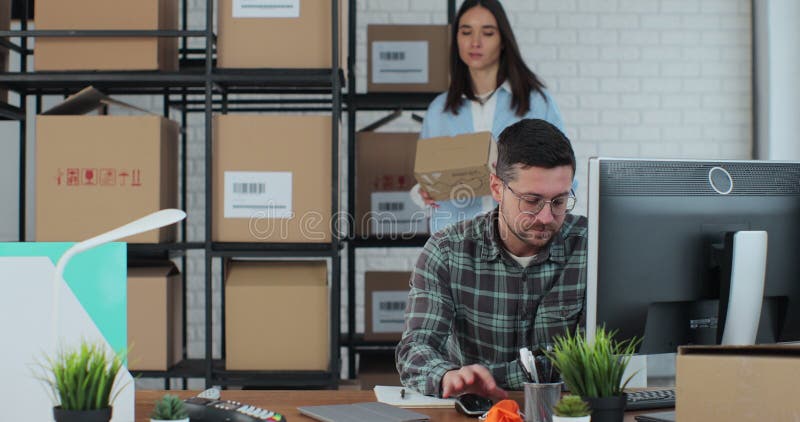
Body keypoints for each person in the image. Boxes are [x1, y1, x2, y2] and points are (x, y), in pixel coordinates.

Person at [396, 119, 587, 400]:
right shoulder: (447, 251)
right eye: (532, 201)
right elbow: (415, 350)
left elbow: (594, 359)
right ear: (497, 188)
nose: (546, 218)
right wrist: (447, 376)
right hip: (477, 414)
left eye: (559, 201)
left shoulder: (590, 247)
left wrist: (487, 376)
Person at [413, 0, 564, 233]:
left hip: (520, 241)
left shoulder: (536, 104)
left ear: (503, 40)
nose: (475, 42)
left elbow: (564, 178)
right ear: (456, 39)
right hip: (455, 246)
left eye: (488, 32)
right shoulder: (438, 111)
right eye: (466, 32)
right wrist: (424, 192)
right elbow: (424, 185)